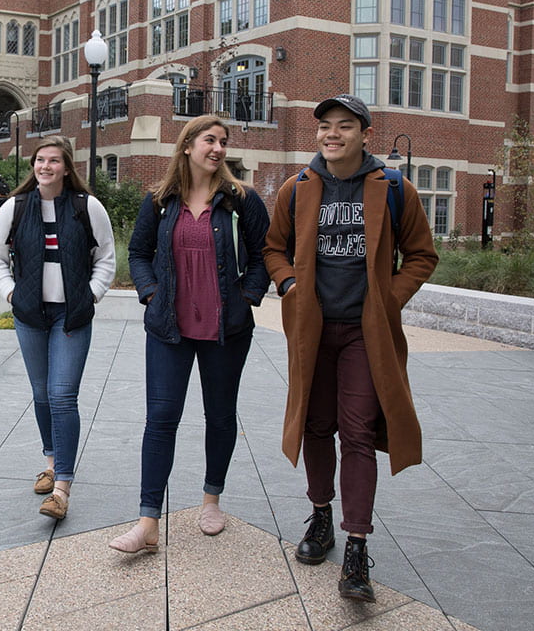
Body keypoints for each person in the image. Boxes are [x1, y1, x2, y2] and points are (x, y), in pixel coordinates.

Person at [263, 94, 437, 603]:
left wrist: (388, 299)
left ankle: (357, 545)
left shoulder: (394, 188)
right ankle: (321, 517)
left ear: (365, 134)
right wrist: (289, 284)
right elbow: (273, 248)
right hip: (313, 330)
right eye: (325, 126)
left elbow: (422, 255)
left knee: (358, 432)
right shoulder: (297, 188)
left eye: (344, 126)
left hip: (366, 333)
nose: (332, 134)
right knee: (316, 426)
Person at [108, 115, 269, 555]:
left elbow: (265, 254)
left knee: (219, 415)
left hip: (226, 329)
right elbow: (139, 252)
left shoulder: (242, 200)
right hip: (169, 328)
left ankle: (211, 500)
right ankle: (147, 522)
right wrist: (151, 294)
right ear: (186, 146)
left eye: (223, 141)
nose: (217, 148)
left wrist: (248, 298)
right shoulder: (160, 200)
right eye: (209, 140)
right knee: (160, 418)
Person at [0, 136, 116, 520]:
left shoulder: (86, 207)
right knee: (41, 394)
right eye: (40, 160)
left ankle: (61, 487)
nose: (45, 166)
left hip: (70, 316)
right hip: (30, 316)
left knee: (62, 395)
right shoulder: (15, 207)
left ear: (67, 167)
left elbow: (106, 257)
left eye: (54, 160)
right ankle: (50, 461)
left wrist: (90, 296)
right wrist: (12, 295)